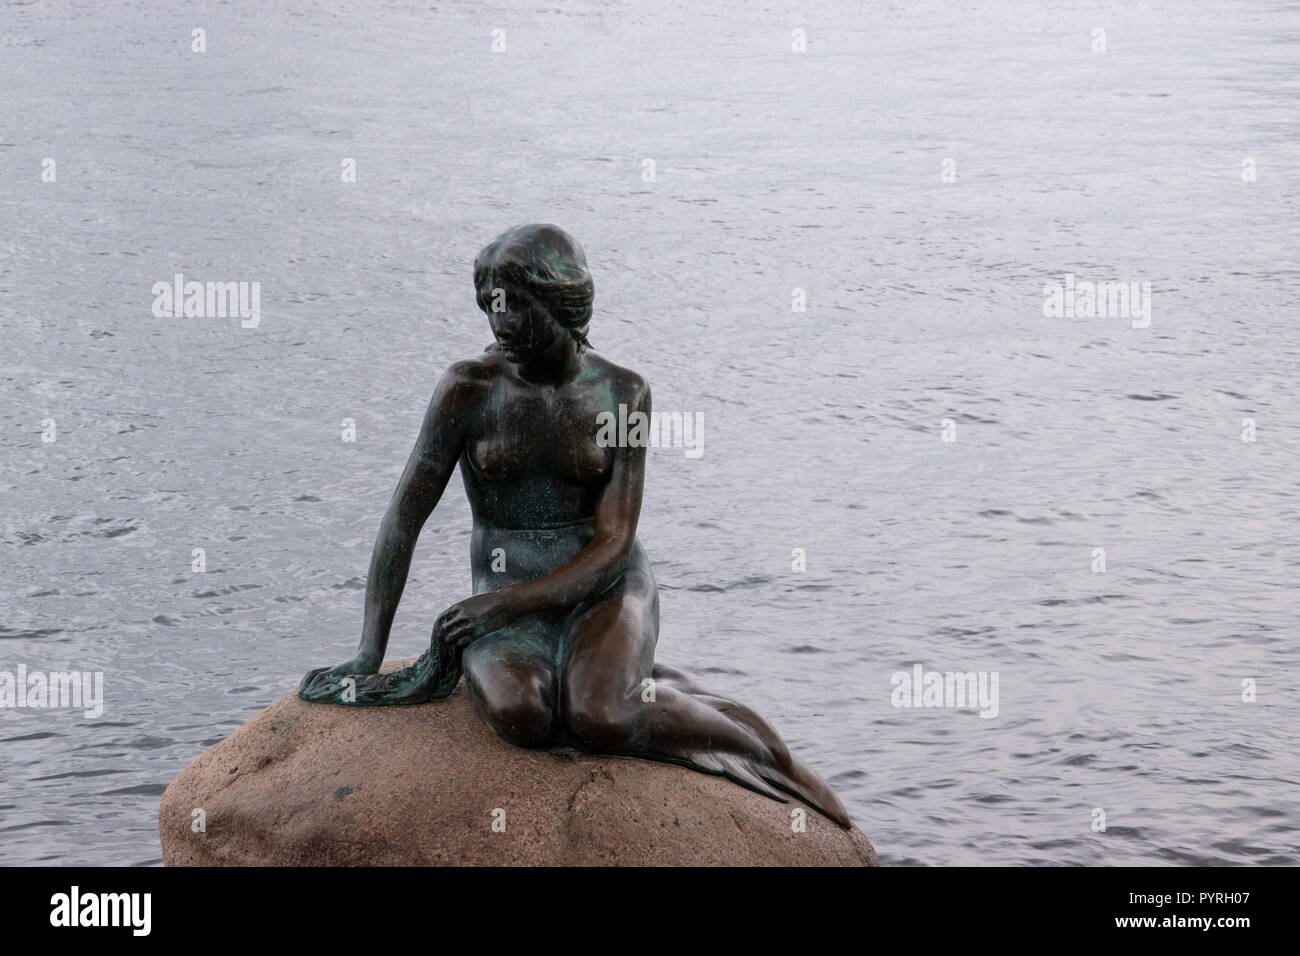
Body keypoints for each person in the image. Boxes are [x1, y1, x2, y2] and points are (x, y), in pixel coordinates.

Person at [300, 223, 851, 827]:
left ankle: (764, 749)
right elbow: (403, 520)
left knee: (601, 715)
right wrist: (368, 652)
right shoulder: (467, 390)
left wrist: (504, 606)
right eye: (491, 306)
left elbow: (615, 542)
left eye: (516, 305)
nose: (500, 323)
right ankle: (632, 672)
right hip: (509, 593)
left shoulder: (624, 394)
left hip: (606, 584)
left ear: (563, 303)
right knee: (524, 717)